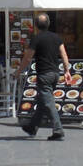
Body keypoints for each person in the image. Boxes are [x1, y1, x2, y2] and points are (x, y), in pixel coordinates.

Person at [18, 12, 72, 141]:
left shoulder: (36, 39)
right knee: (43, 101)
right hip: (55, 74)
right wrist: (66, 71)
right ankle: (32, 127)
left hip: (44, 75)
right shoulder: (56, 37)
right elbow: (64, 56)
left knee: (48, 102)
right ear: (48, 24)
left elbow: (28, 57)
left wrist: (19, 71)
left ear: (36, 25)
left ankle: (58, 129)